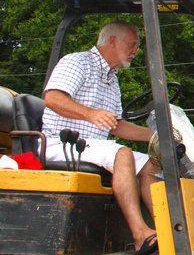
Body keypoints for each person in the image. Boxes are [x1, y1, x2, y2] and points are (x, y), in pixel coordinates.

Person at [42, 21, 159, 254]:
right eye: (132, 44)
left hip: (92, 146)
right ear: (112, 41)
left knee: (149, 164)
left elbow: (116, 126)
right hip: (61, 142)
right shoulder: (77, 62)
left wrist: (158, 135)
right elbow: (53, 98)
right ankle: (140, 234)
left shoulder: (111, 78)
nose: (136, 50)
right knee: (122, 153)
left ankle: (168, 228)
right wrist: (90, 114)